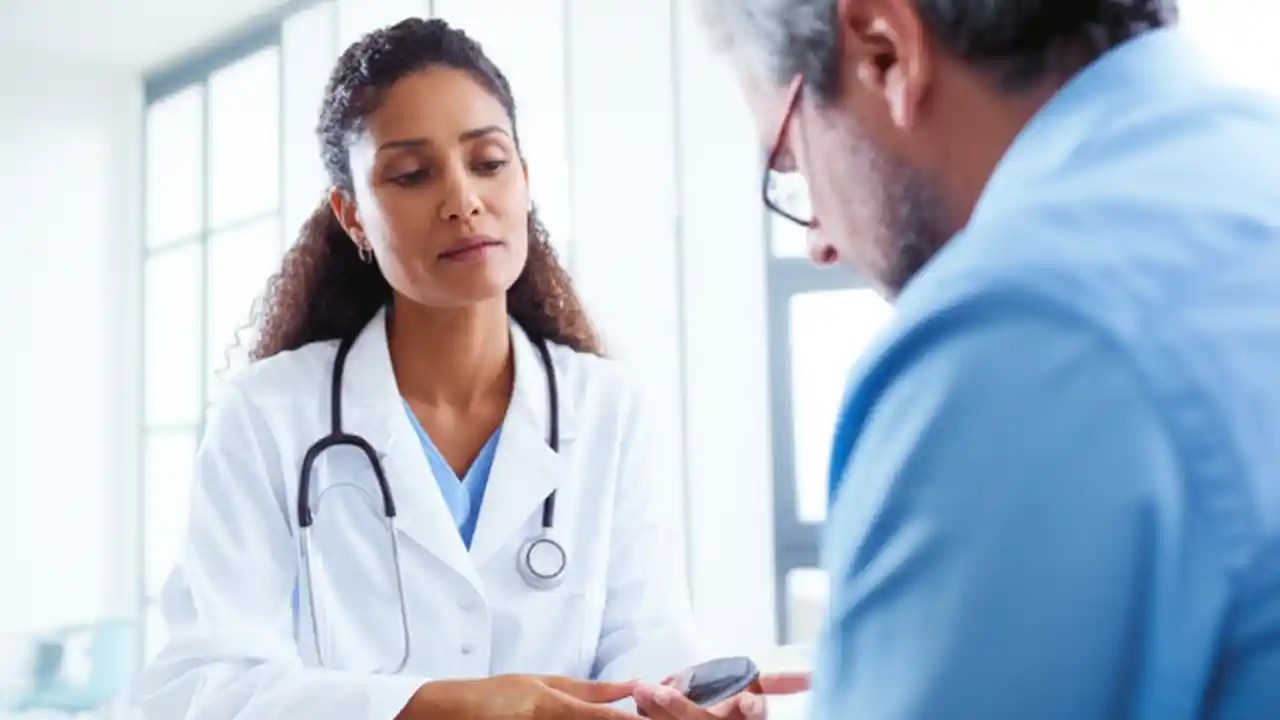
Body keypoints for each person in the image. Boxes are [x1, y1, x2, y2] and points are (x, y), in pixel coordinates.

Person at [135, 17, 801, 720]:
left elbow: (646, 638)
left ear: (524, 179)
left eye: (488, 162)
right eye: (412, 175)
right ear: (352, 215)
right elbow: (203, 690)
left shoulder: (608, 407)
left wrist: (683, 700)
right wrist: (455, 706)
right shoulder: (267, 415)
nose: (463, 200)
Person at [636, 0, 1280, 718]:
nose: (819, 241)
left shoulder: (1020, 331)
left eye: (790, 161)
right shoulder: (1248, 165)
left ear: (884, 50)